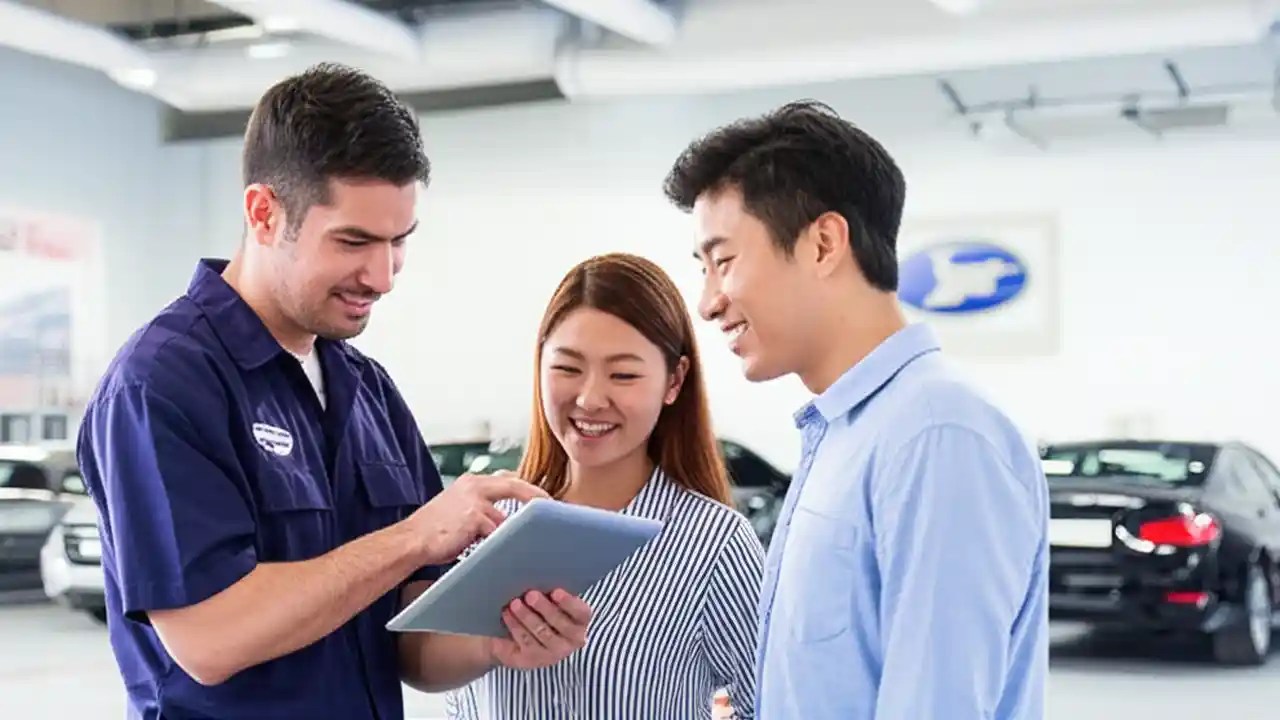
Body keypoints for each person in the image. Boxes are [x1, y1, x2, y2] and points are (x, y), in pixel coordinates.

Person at [74, 62, 591, 720]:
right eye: (353, 241)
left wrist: (496, 639)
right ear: (264, 214)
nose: (383, 276)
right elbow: (210, 637)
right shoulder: (163, 384)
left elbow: (408, 640)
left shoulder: (367, 390)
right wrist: (413, 537)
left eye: (399, 242)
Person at [663, 100, 1050, 719]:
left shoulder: (938, 434)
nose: (708, 303)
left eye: (724, 261)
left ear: (822, 244)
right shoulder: (844, 433)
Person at [443, 253, 764, 719]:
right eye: (568, 368)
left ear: (674, 381)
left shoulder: (715, 544)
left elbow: (772, 702)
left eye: (624, 375)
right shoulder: (489, 527)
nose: (590, 398)